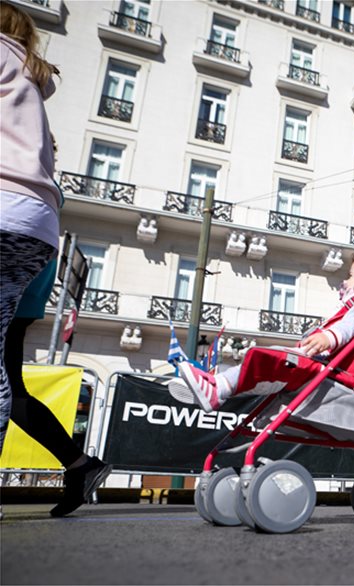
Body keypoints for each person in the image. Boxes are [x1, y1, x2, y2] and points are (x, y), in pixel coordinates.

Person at [0, 3, 111, 517]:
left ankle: (78, 462)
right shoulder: (42, 175)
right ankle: (78, 463)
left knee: (11, 382)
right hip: (29, 251)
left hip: (17, 256)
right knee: (13, 383)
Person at [173, 246, 354, 412]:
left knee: (267, 357)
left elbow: (349, 326)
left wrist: (329, 337)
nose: (346, 281)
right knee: (265, 365)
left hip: (321, 365)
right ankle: (214, 386)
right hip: (318, 362)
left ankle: (218, 389)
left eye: (351, 275)